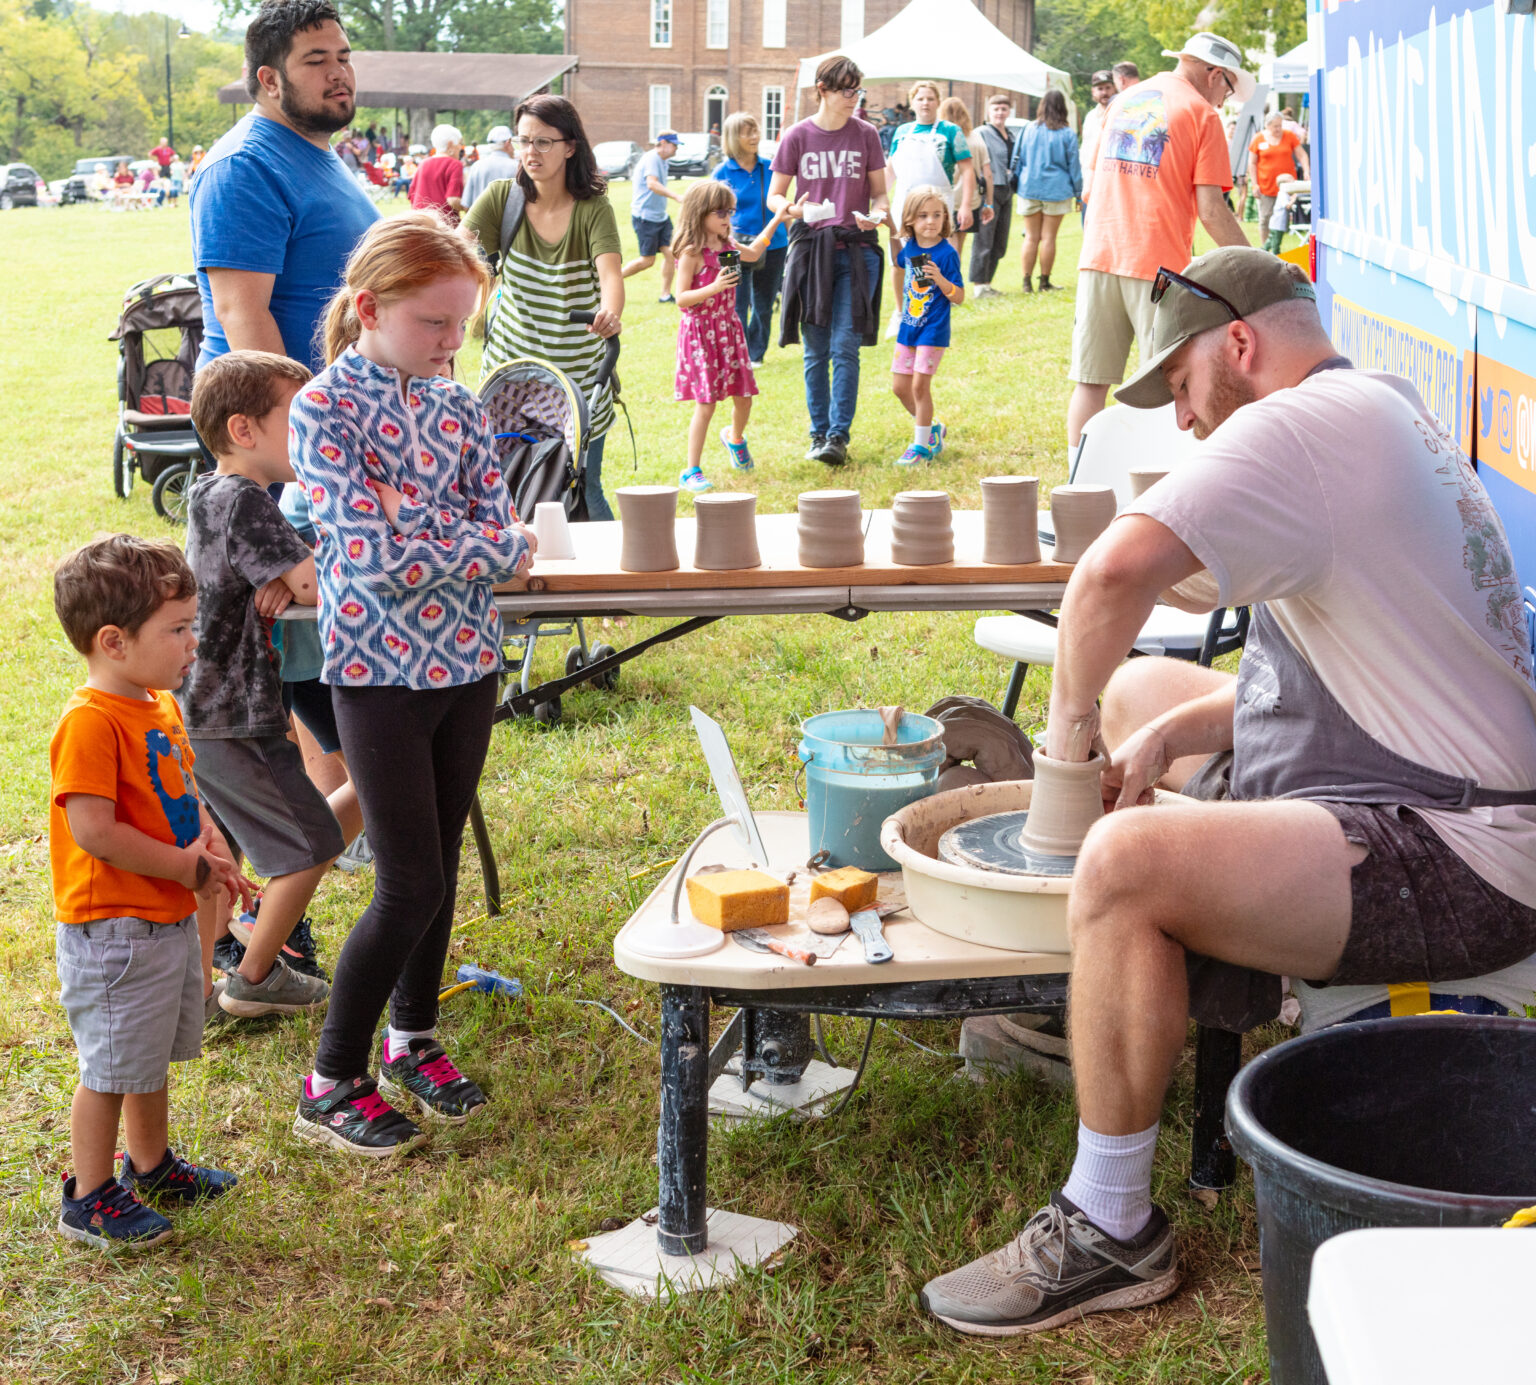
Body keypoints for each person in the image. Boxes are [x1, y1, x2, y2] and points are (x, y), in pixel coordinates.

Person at [920, 244, 1536, 1336]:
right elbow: (1334, 678)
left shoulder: (1293, 427)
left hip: (1465, 852)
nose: (1184, 419)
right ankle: (1111, 1007)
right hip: (1424, 780)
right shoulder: (1370, 408)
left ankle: (1109, 1225)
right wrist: (1161, 729)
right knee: (1149, 688)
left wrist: (1063, 748)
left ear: (1241, 345)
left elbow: (1110, 571)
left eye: (1184, 385)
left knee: (1117, 864)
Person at [287, 214, 536, 1156]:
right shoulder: (322, 410)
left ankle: (413, 1037)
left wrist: (448, 537)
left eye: (461, 324)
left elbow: (500, 526)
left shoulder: (456, 402)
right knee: (409, 882)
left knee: (437, 865)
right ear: (369, 309)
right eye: (435, 323)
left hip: (468, 663)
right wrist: (472, 545)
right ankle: (331, 1077)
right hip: (379, 675)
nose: (450, 342)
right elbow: (376, 557)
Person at [49, 536, 247, 1248]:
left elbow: (181, 789)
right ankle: (90, 1194)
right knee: (110, 1065)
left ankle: (152, 1165)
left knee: (148, 1052)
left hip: (161, 918)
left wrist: (214, 848)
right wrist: (181, 867)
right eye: (178, 629)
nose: (194, 642)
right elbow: (95, 831)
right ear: (114, 641)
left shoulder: (154, 703)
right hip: (116, 931)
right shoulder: (91, 721)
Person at [181, 351, 364, 1019]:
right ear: (244, 429)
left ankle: (199, 993)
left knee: (225, 859)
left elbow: (286, 573)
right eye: (299, 419)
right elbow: (319, 584)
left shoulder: (210, 492)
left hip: (207, 709)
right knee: (309, 847)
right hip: (239, 712)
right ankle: (256, 976)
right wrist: (296, 571)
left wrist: (284, 572)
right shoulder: (247, 501)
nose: (313, 433)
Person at [1066, 31, 1251, 448]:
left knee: (1090, 382)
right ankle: (1156, 489)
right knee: (1169, 382)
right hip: (1156, 263)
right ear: (1214, 74)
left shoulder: (1123, 100)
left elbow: (1093, 184)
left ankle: (1078, 486)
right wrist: (1254, 266)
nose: (1225, 99)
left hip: (1099, 252)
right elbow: (1211, 210)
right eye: (1229, 87)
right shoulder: (1202, 114)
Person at [189, 0, 378, 373]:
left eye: (344, 57)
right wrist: (293, 422)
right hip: (272, 415)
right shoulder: (244, 166)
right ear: (270, 81)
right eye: (316, 60)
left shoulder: (316, 149)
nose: (339, 73)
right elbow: (243, 316)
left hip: (339, 409)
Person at [461, 94, 624, 521]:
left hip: (579, 377)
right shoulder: (502, 199)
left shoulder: (593, 209)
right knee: (501, 484)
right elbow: (452, 253)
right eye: (523, 141)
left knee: (583, 486)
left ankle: (604, 581)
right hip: (510, 376)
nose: (530, 152)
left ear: (570, 146)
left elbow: (610, 275)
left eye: (543, 142)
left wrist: (609, 312)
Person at [768, 53, 889, 467]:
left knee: (845, 348)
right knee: (816, 350)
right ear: (823, 90)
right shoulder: (797, 136)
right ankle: (818, 433)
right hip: (810, 253)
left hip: (856, 252)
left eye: (858, 90)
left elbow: (881, 194)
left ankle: (838, 436)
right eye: (847, 90)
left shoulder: (867, 134)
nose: (855, 98)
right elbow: (774, 197)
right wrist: (796, 209)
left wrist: (878, 215)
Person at [671, 180, 790, 492]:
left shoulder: (728, 247)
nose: (727, 218)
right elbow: (681, 297)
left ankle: (735, 439)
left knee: (744, 396)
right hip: (700, 333)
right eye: (720, 212)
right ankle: (691, 470)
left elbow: (752, 254)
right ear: (700, 213)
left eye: (730, 212)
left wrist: (777, 219)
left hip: (728, 328)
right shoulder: (691, 253)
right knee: (706, 403)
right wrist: (715, 287)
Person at [888, 186, 963, 467]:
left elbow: (959, 296)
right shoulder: (912, 249)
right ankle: (932, 429)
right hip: (909, 329)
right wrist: (888, 226)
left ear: (945, 218)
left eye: (937, 215)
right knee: (900, 387)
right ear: (910, 220)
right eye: (922, 216)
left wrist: (941, 279)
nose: (930, 221)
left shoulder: (946, 254)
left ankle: (920, 446)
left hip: (933, 330)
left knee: (920, 385)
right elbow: (898, 261)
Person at [712, 111, 788, 367]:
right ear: (734, 137)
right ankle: (738, 352)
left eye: (756, 130)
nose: (755, 136)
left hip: (773, 243)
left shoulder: (770, 167)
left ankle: (755, 354)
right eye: (748, 132)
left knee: (764, 303)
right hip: (735, 247)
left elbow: (782, 205)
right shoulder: (722, 172)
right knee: (736, 303)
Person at [1011, 89, 1081, 293]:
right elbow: (1073, 166)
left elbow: (1017, 158)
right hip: (1057, 189)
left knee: (1031, 237)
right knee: (1049, 237)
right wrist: (1078, 193)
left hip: (1029, 187)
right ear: (1063, 108)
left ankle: (1026, 282)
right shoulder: (1067, 133)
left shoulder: (1028, 129)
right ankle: (1044, 282)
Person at [886, 80, 974, 235]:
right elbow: (890, 170)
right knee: (903, 251)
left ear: (938, 102)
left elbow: (967, 170)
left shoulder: (951, 131)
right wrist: (881, 201)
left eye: (930, 99)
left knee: (934, 252)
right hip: (904, 201)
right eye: (920, 99)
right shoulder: (902, 131)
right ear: (912, 102)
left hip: (938, 204)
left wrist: (966, 206)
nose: (925, 103)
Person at [621, 132, 681, 301]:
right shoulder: (652, 159)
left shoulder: (663, 161)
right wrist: (676, 196)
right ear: (663, 143)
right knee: (647, 261)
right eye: (674, 145)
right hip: (645, 218)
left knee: (671, 254)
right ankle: (609, 282)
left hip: (661, 217)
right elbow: (652, 183)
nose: (676, 148)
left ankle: (665, 295)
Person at [969, 93, 1015, 297]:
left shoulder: (1010, 134)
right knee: (984, 238)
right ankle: (979, 285)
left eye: (1004, 109)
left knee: (1000, 240)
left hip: (1006, 188)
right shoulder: (981, 133)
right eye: (996, 108)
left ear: (1009, 112)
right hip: (989, 189)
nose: (1000, 112)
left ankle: (988, 283)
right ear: (989, 111)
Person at [1248, 111, 1310, 250]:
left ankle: (1276, 247)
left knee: (1281, 219)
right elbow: (1252, 163)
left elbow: (1302, 155)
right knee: (1265, 218)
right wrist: (1254, 183)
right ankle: (1265, 249)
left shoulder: (1289, 136)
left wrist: (1306, 170)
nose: (1278, 129)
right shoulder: (1258, 139)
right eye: (1275, 126)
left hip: (1287, 186)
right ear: (1267, 125)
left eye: (1280, 125)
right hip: (1266, 185)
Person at [936, 97, 987, 263]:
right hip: (969, 198)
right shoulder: (976, 138)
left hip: (945, 196)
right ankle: (954, 277)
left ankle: (948, 280)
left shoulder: (940, 137)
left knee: (946, 241)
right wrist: (990, 202)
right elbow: (987, 172)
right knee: (959, 245)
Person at [409, 123, 466, 224]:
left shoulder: (423, 164)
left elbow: (412, 195)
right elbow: (453, 200)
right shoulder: (455, 164)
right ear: (450, 144)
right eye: (459, 144)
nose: (461, 147)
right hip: (444, 226)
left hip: (420, 223)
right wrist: (469, 208)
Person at [1078, 69, 1116, 213]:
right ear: (1093, 91)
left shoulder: (1122, 114)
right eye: (1100, 89)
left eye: (1107, 88)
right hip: (1092, 183)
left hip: (1113, 184)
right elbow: (1085, 151)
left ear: (1114, 88)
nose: (1104, 92)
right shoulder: (1091, 117)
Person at [462, 124, 517, 207]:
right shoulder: (516, 167)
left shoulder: (476, 167)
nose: (514, 148)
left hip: (479, 219)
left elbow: (466, 204)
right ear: (508, 143)